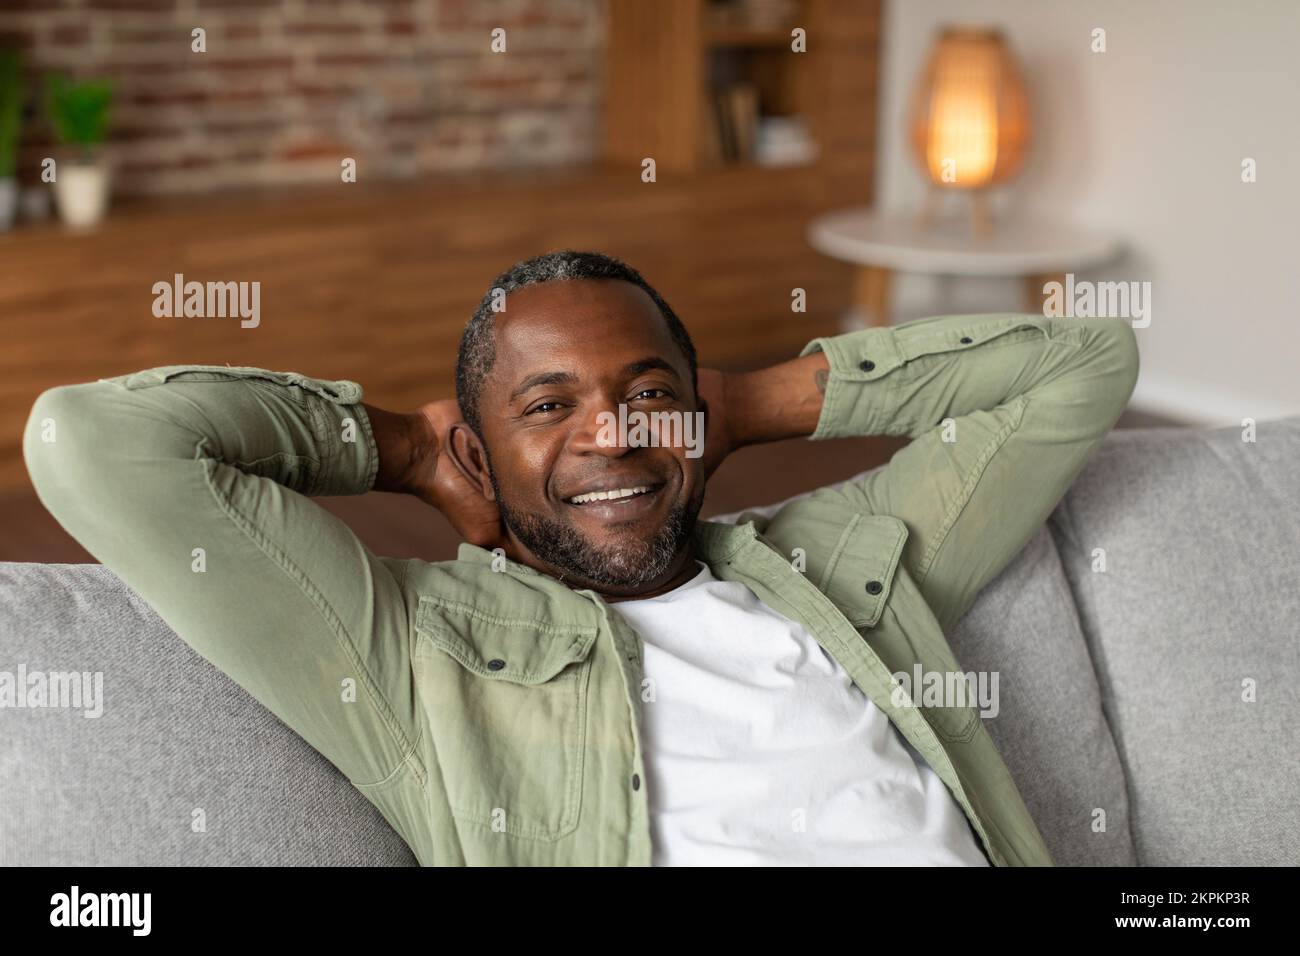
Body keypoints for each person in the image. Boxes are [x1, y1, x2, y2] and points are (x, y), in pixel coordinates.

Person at [23, 250, 1139, 866]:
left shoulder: (840, 563)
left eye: (646, 395)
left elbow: (1088, 361)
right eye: (548, 406)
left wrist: (745, 400)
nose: (612, 434)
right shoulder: (419, 651)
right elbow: (97, 442)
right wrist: (404, 451)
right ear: (479, 449)